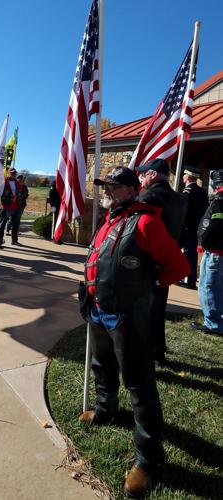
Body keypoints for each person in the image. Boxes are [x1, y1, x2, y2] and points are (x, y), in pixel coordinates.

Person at [78, 167, 189, 497]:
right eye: (106, 187)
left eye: (113, 187)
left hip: (127, 317)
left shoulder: (146, 222)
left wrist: (150, 284)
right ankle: (105, 409)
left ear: (130, 190)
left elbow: (178, 267)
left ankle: (148, 459)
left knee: (139, 386)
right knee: (102, 366)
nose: (107, 192)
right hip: (99, 310)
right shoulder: (109, 219)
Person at [136, 158, 188, 366]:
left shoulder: (148, 196)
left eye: (144, 173)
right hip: (167, 259)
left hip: (146, 261)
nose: (141, 177)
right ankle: (158, 351)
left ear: (153, 175)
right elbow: (187, 230)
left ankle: (147, 353)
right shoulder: (182, 199)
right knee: (158, 309)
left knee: (143, 310)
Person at [191, 169, 223, 335]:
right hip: (217, 251)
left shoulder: (220, 200)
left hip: (216, 252)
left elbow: (216, 225)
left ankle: (213, 324)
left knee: (208, 287)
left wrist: (204, 242)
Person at [181, 167, 209, 289]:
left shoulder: (187, 192)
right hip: (197, 227)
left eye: (184, 175)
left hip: (187, 227)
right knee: (191, 254)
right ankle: (191, 280)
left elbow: (184, 211)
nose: (182, 177)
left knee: (186, 253)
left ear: (188, 177)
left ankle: (184, 278)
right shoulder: (202, 192)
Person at [0, 167, 22, 249]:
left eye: (15, 173)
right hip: (6, 207)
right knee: (2, 225)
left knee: (15, 225)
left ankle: (14, 241)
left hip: (16, 207)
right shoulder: (3, 182)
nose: (14, 174)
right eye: (12, 173)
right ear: (8, 173)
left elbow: (18, 193)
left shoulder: (17, 183)